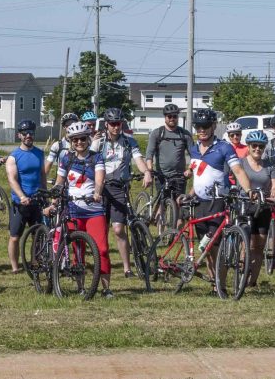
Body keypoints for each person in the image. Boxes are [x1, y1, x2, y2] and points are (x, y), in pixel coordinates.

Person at [51, 120, 113, 293]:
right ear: (71, 141)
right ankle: (81, 287)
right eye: (75, 140)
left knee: (102, 249)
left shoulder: (96, 157)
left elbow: (100, 179)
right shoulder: (66, 159)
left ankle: (106, 289)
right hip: (72, 210)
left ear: (88, 139)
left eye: (83, 139)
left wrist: (97, 192)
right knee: (78, 250)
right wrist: (53, 202)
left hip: (93, 210)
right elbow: (59, 182)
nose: (79, 143)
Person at [185, 108, 247, 270]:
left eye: (205, 126)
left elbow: (238, 171)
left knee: (214, 244)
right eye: (198, 126)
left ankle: (220, 284)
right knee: (205, 247)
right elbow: (199, 177)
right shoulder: (194, 149)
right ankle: (214, 283)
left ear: (213, 126)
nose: (201, 130)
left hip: (217, 202)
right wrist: (189, 195)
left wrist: (250, 191)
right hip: (199, 203)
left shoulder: (224, 147)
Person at [93, 106, 152, 277]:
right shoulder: (99, 143)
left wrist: (146, 172)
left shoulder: (129, 141)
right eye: (112, 124)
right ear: (107, 125)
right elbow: (89, 163)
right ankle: (101, 265)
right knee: (101, 229)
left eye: (118, 123)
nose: (116, 127)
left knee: (119, 229)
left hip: (119, 187)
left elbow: (138, 160)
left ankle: (127, 268)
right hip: (101, 189)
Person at [3, 119, 47, 272]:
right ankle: (15, 267)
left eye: (31, 133)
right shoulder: (14, 157)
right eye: (25, 133)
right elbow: (12, 180)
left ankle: (35, 262)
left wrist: (45, 194)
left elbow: (42, 175)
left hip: (37, 201)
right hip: (20, 203)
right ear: (19, 135)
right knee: (15, 237)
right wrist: (22, 196)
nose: (29, 135)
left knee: (38, 234)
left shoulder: (39, 153)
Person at [234, 128, 275, 286]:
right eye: (254, 146)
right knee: (247, 244)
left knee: (260, 246)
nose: (257, 149)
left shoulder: (269, 165)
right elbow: (233, 178)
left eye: (261, 146)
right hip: (245, 206)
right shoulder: (241, 163)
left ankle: (253, 281)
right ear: (249, 146)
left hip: (263, 207)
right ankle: (243, 277)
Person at [147, 103, 192, 206]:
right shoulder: (157, 133)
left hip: (179, 176)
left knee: (179, 205)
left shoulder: (184, 134)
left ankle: (177, 221)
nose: (172, 118)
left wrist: (190, 169)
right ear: (165, 117)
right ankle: (160, 221)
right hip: (162, 176)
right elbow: (149, 153)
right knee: (161, 204)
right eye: (169, 116)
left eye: (175, 116)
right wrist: (149, 169)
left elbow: (194, 155)